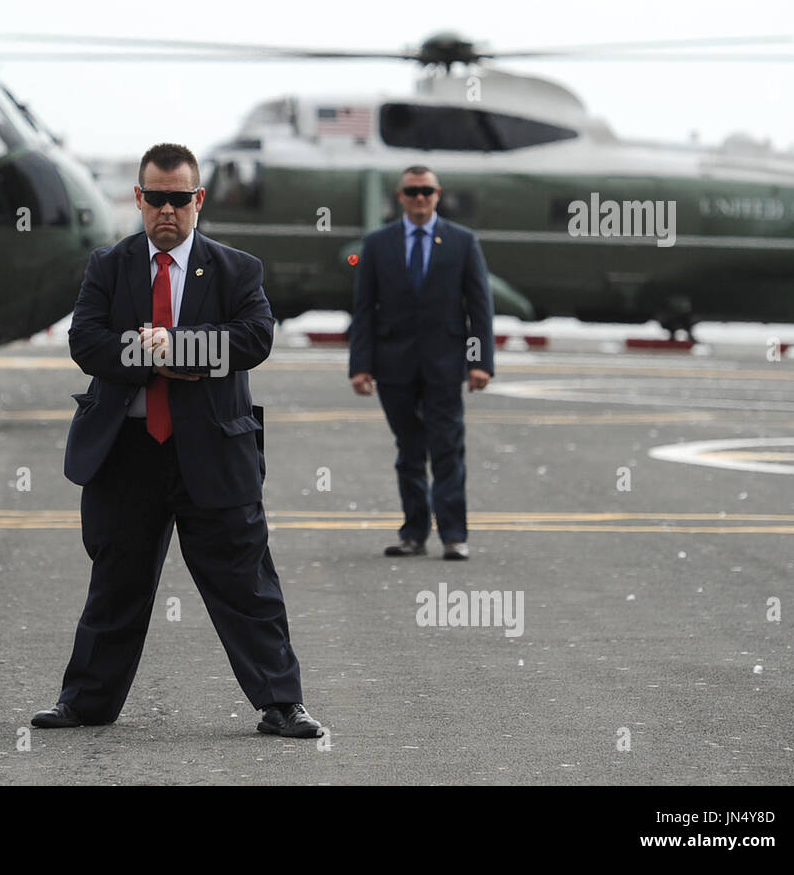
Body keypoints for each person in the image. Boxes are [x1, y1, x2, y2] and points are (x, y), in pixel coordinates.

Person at [33, 143, 322, 738]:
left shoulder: (238, 269)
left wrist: (180, 346)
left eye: (179, 199)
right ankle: (85, 702)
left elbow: (254, 338)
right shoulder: (108, 267)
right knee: (117, 583)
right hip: (128, 452)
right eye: (156, 198)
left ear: (198, 200)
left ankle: (282, 703)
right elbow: (85, 342)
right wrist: (150, 351)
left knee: (245, 583)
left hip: (212, 453)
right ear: (139, 198)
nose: (168, 210)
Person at [348, 165, 495, 560]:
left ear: (438, 194)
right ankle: (413, 533)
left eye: (426, 191)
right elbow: (363, 310)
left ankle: (453, 535)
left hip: (445, 365)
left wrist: (479, 362)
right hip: (393, 365)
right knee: (409, 452)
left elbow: (479, 306)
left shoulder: (463, 242)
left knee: (447, 450)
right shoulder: (378, 244)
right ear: (400, 196)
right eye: (412, 191)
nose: (419, 198)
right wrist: (359, 365)